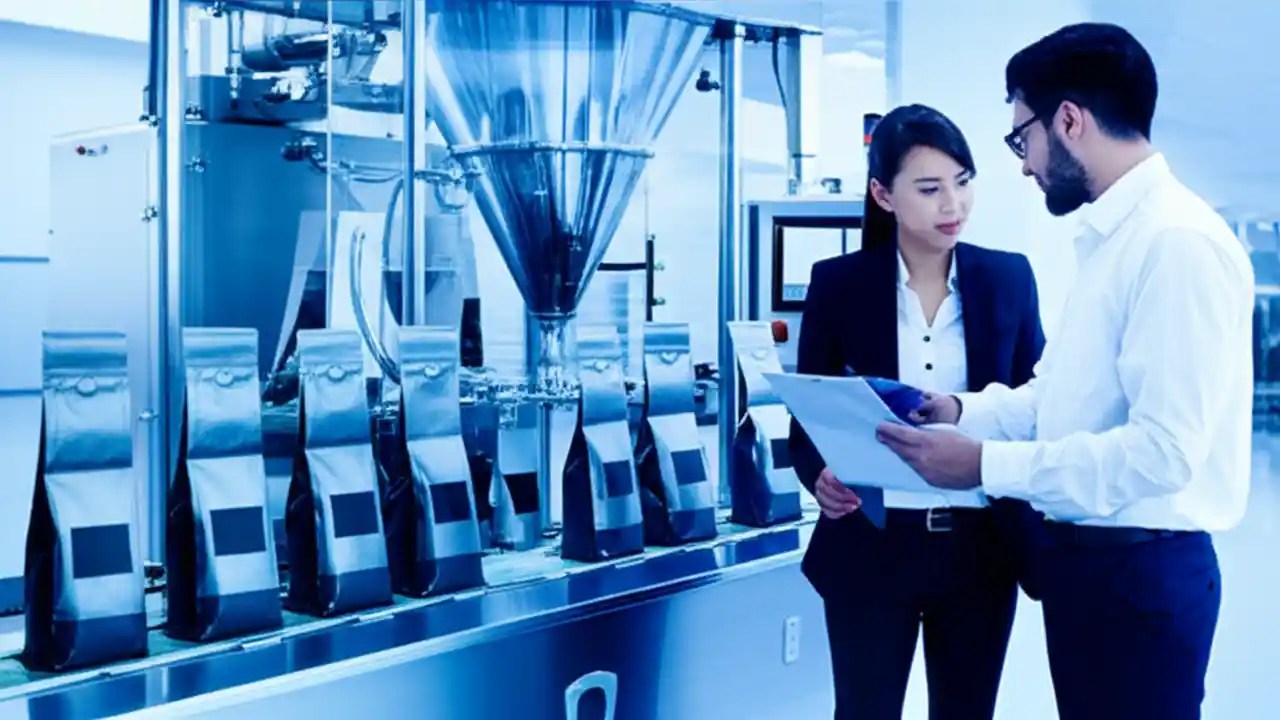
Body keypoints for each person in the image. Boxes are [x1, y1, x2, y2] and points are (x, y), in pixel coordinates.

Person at [877, 23, 1255, 720]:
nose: (1023, 165)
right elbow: (1058, 396)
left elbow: (1161, 454)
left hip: (1137, 574)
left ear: (1070, 120)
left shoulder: (1174, 243)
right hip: (1094, 567)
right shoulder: (1116, 240)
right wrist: (960, 413)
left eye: (1023, 138)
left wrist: (985, 467)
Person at [788, 103, 1046, 720]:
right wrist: (818, 476)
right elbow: (808, 421)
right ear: (883, 194)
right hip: (871, 545)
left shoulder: (1007, 279)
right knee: (864, 711)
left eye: (962, 182)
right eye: (929, 189)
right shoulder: (838, 284)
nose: (951, 204)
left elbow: (1037, 408)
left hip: (978, 547)